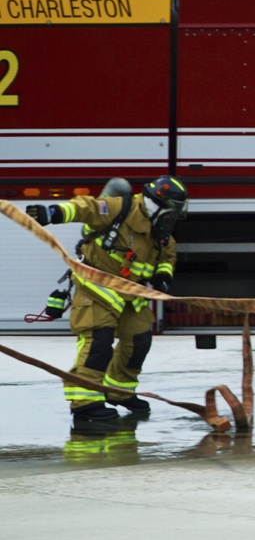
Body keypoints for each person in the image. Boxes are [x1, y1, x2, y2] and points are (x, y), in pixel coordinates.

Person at [27, 175, 188, 423]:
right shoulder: (119, 208)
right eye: (170, 213)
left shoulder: (162, 234)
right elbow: (85, 208)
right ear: (156, 205)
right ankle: (85, 402)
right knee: (98, 341)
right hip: (96, 288)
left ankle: (119, 392)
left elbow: (167, 257)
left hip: (130, 296)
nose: (171, 219)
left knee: (139, 341)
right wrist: (53, 212)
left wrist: (163, 275)